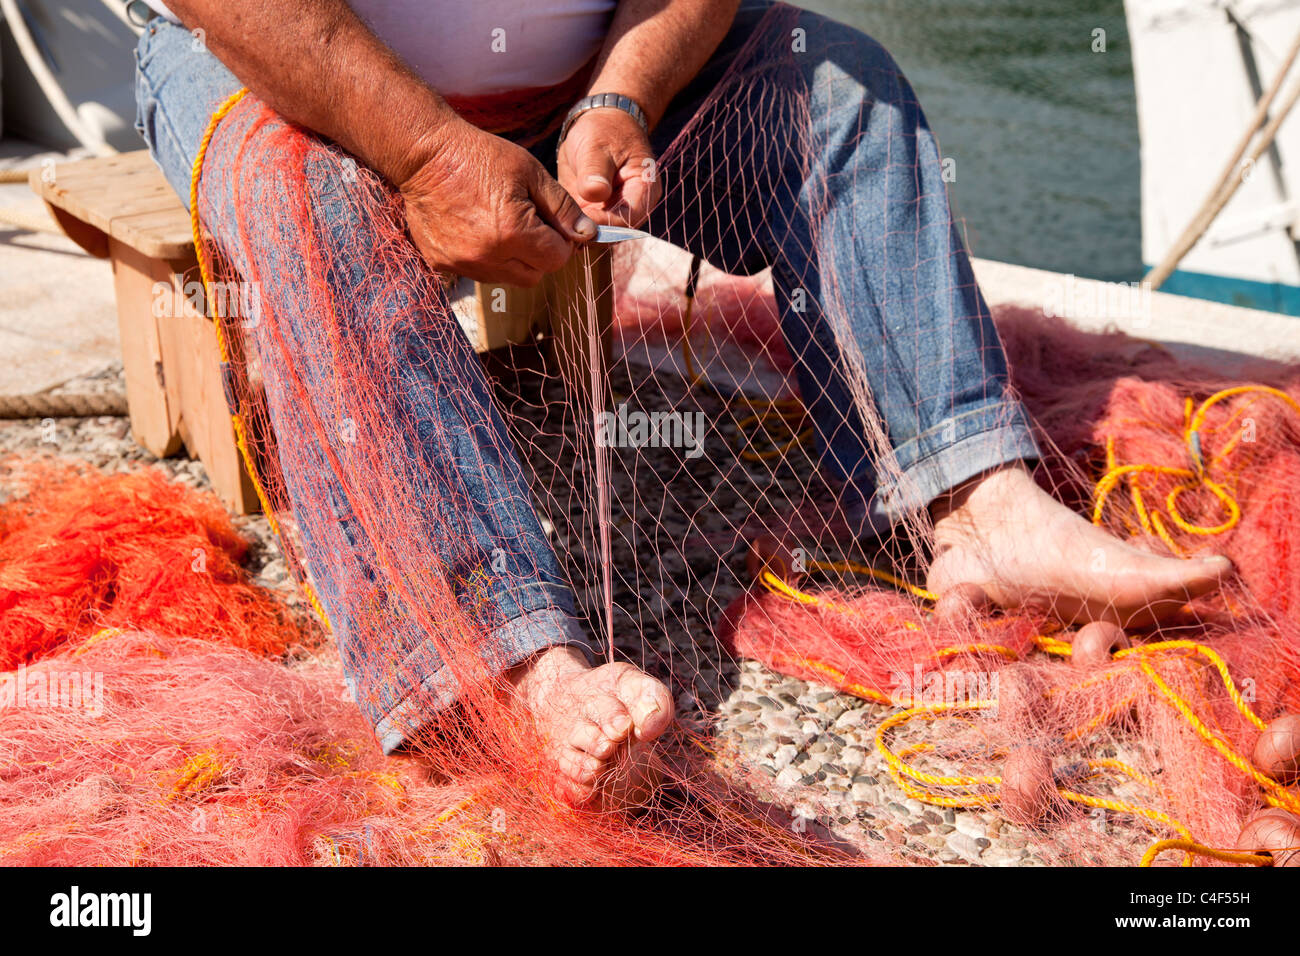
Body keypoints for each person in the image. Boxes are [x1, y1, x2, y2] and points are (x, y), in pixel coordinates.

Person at [133, 0, 1231, 805]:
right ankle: (504, 665)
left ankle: (972, 504)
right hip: (290, 72)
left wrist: (625, 94)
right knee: (312, 198)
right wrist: (425, 150)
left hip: (591, 68)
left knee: (835, 81)